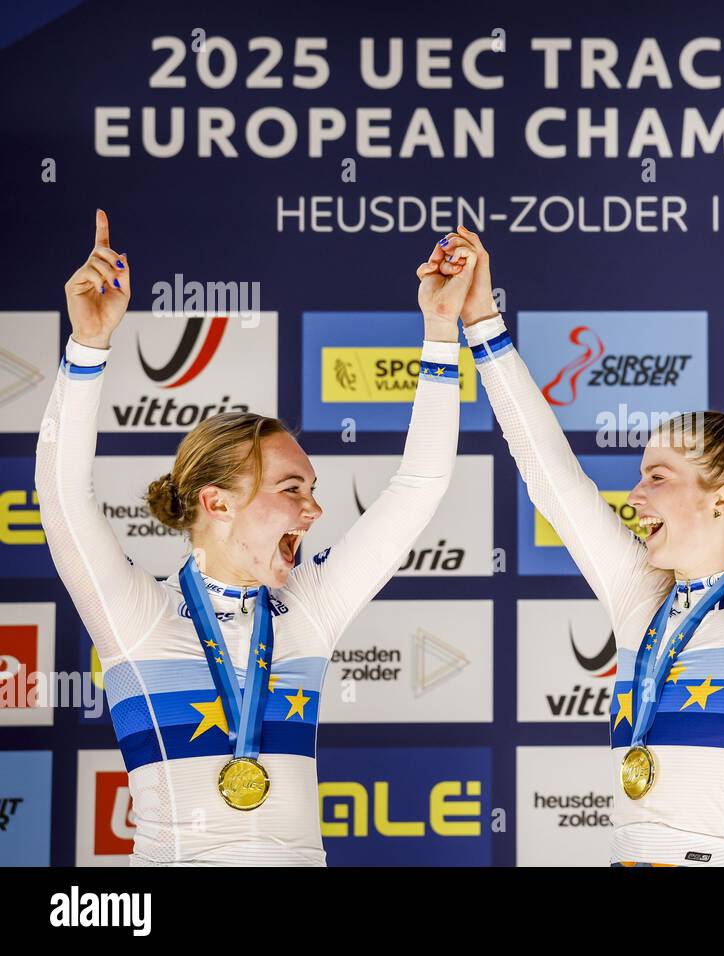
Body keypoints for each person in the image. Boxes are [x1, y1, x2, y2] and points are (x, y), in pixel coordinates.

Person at [436, 194, 724, 866]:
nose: (632, 495)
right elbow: (551, 477)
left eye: (657, 476)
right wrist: (480, 322)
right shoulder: (645, 600)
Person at [35, 210, 475, 865]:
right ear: (216, 502)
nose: (314, 509)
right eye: (291, 489)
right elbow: (64, 502)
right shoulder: (142, 617)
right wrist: (88, 347)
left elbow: (421, 485)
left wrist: (442, 332)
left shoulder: (309, 606)